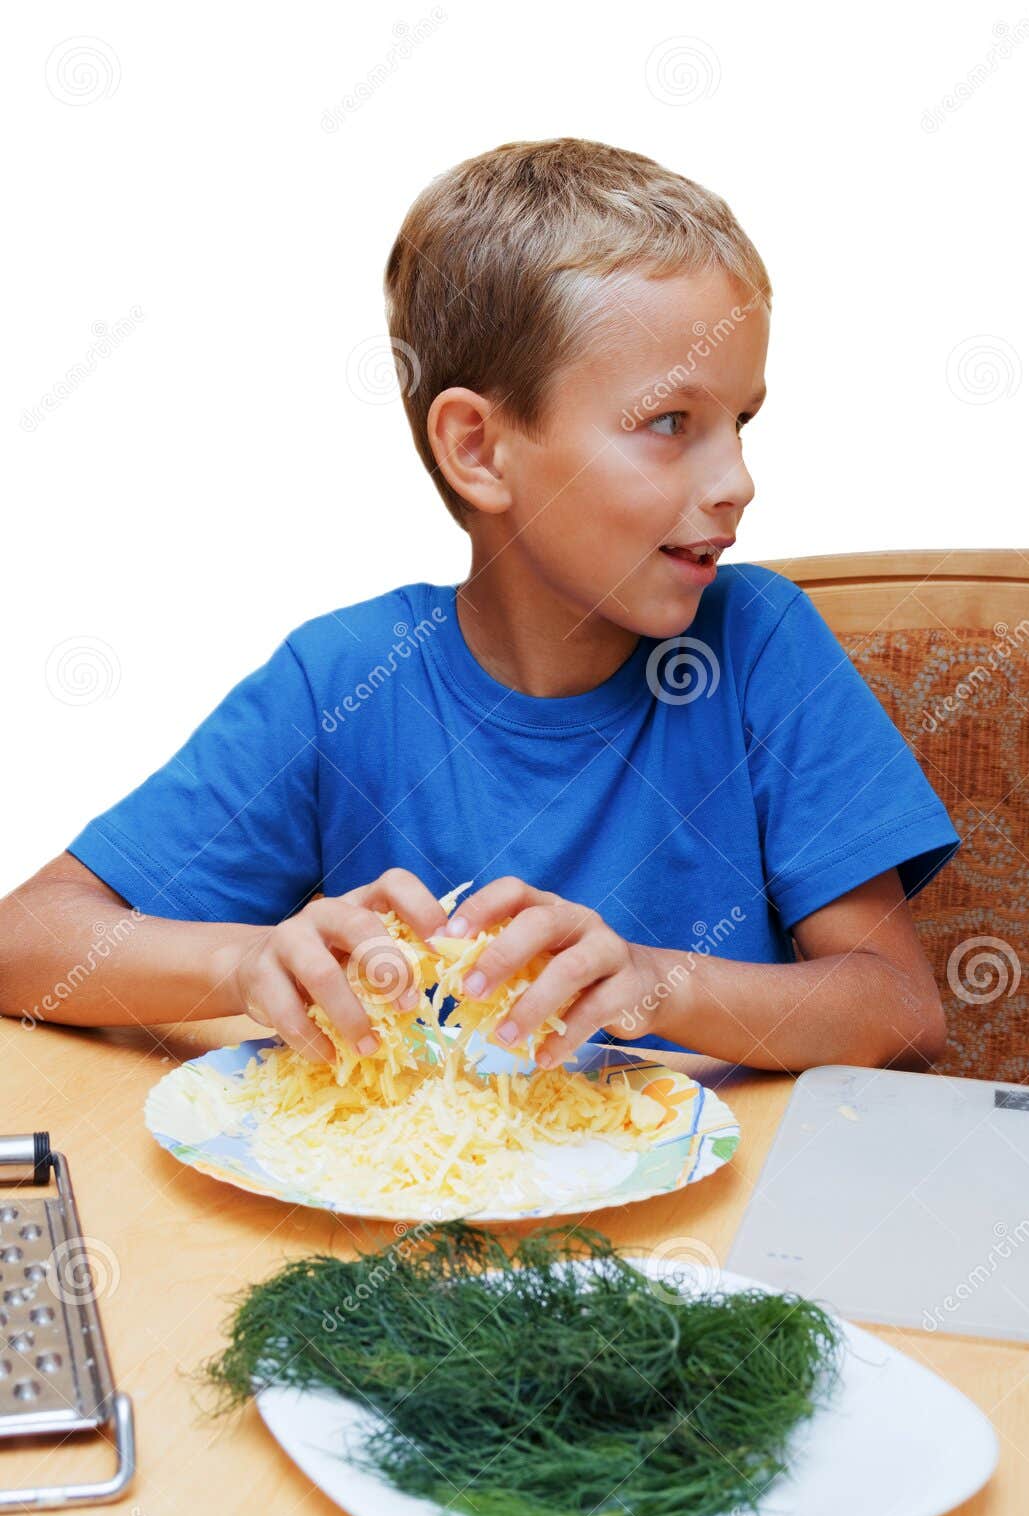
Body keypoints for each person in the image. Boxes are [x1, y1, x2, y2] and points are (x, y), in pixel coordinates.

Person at [0, 138, 958, 1073]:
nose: (737, 480)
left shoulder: (759, 647)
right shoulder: (340, 680)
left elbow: (901, 1010)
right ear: (477, 448)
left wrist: (657, 984)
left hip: (713, 1224)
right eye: (671, 423)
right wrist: (240, 962)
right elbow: (27, 938)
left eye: (740, 422)